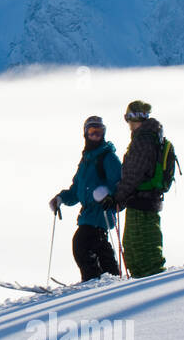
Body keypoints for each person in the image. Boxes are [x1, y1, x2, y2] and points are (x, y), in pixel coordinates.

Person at [48, 115, 122, 282]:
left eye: (99, 131)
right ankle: (110, 278)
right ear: (85, 134)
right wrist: (61, 198)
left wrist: (106, 193)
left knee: (82, 244)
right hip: (88, 214)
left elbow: (120, 184)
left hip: (101, 212)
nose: (95, 135)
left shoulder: (108, 157)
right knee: (97, 246)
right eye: (92, 131)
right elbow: (76, 190)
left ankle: (93, 280)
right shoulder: (86, 160)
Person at [108, 100, 167, 278]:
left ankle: (153, 285)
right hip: (143, 200)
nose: (128, 123)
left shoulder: (143, 140)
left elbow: (134, 174)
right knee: (133, 247)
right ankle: (141, 284)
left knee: (143, 250)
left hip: (143, 201)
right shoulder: (151, 136)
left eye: (129, 117)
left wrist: (117, 197)